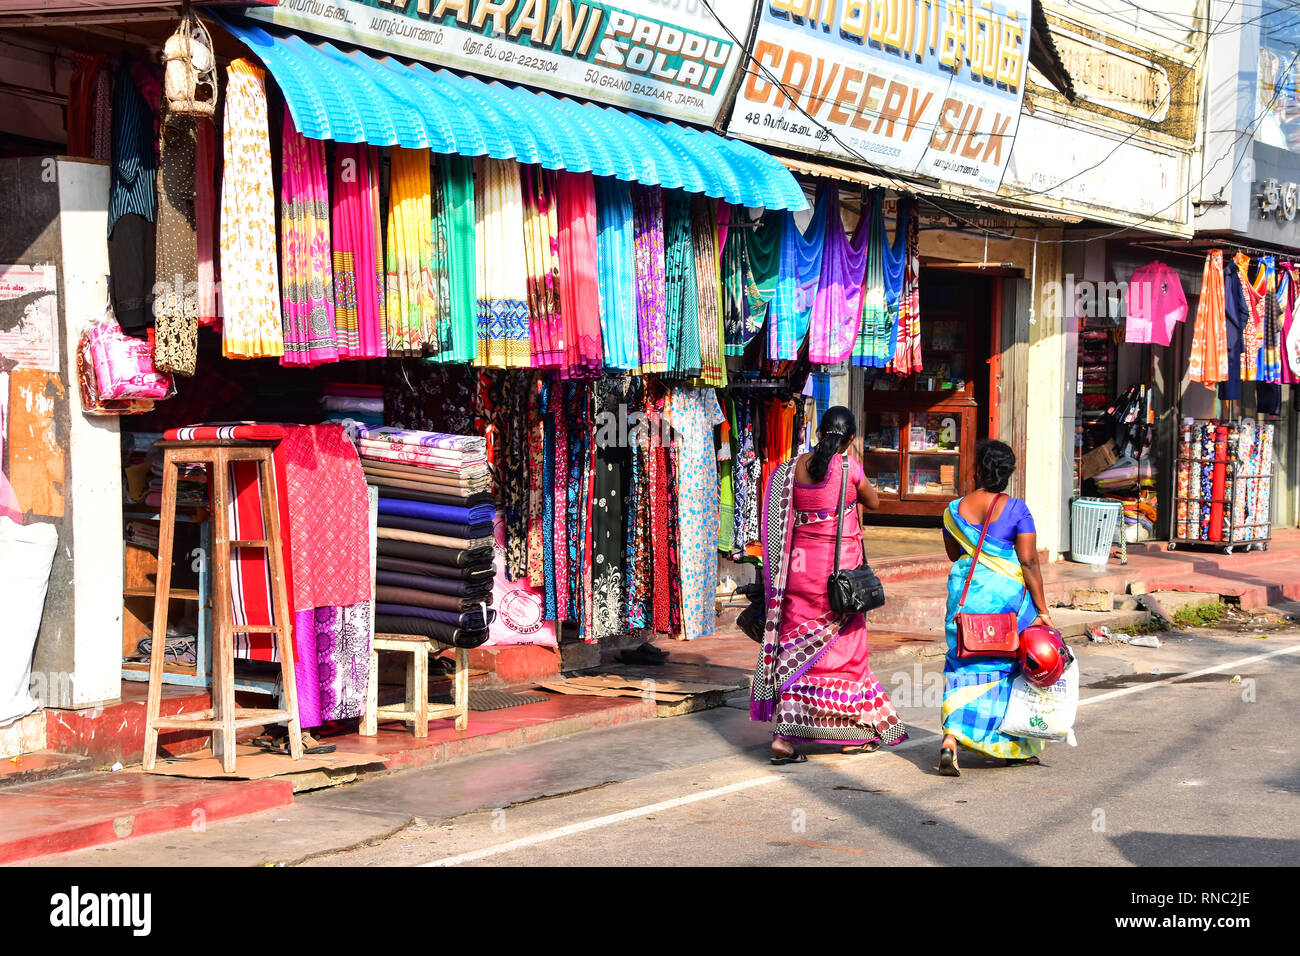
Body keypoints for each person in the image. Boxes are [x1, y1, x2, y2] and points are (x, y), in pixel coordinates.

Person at [750, 406, 908, 764]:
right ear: (850, 440)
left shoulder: (787, 471)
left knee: (795, 654)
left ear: (819, 431)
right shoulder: (850, 469)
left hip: (797, 575)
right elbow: (875, 501)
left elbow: (774, 525)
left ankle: (784, 737)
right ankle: (850, 733)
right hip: (840, 580)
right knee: (845, 654)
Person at [938, 438, 1054, 776]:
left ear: (977, 470)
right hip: (1006, 603)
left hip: (966, 598)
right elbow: (1029, 562)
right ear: (1009, 474)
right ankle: (1008, 745)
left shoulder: (952, 511)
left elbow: (954, 555)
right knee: (1007, 669)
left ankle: (951, 738)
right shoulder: (1018, 510)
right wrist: (1043, 609)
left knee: (963, 664)